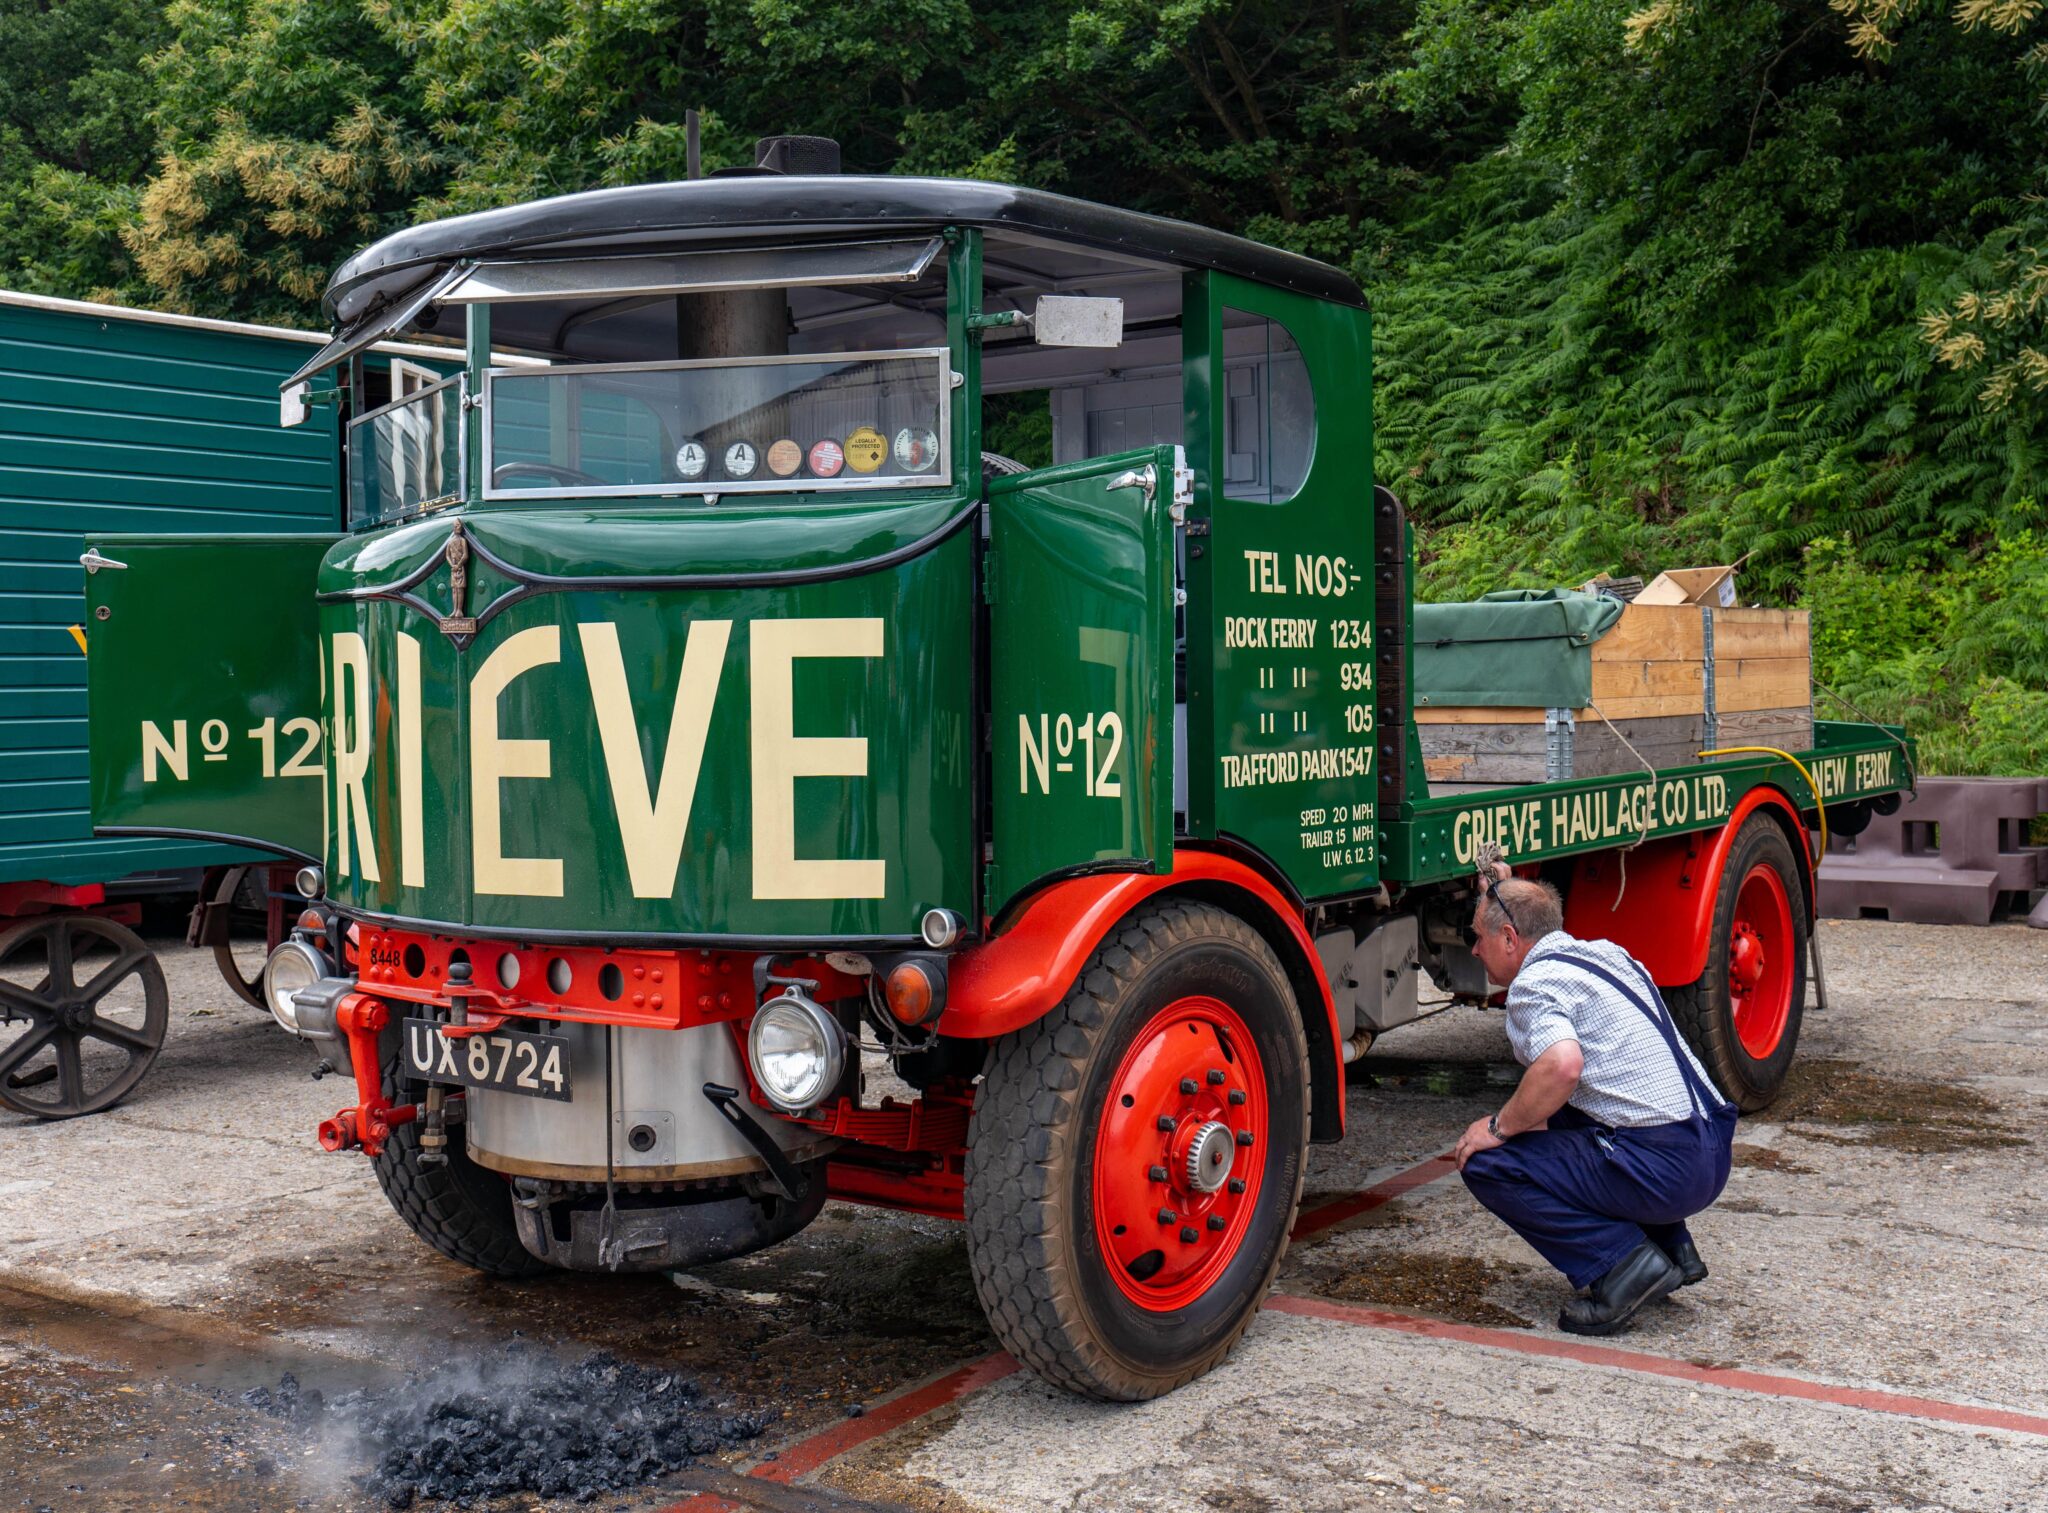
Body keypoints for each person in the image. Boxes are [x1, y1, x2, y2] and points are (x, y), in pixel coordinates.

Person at [1451, 867, 1737, 1335]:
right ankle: (1671, 1249)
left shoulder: (1532, 986)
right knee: (1562, 1109)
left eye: (1478, 937)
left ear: (1508, 938)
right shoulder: (1608, 955)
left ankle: (1623, 1267)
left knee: (1489, 1163)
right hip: (1710, 1150)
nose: (1475, 949)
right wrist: (1496, 890)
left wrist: (1497, 1128)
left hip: (1664, 1170)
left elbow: (1562, 1066)